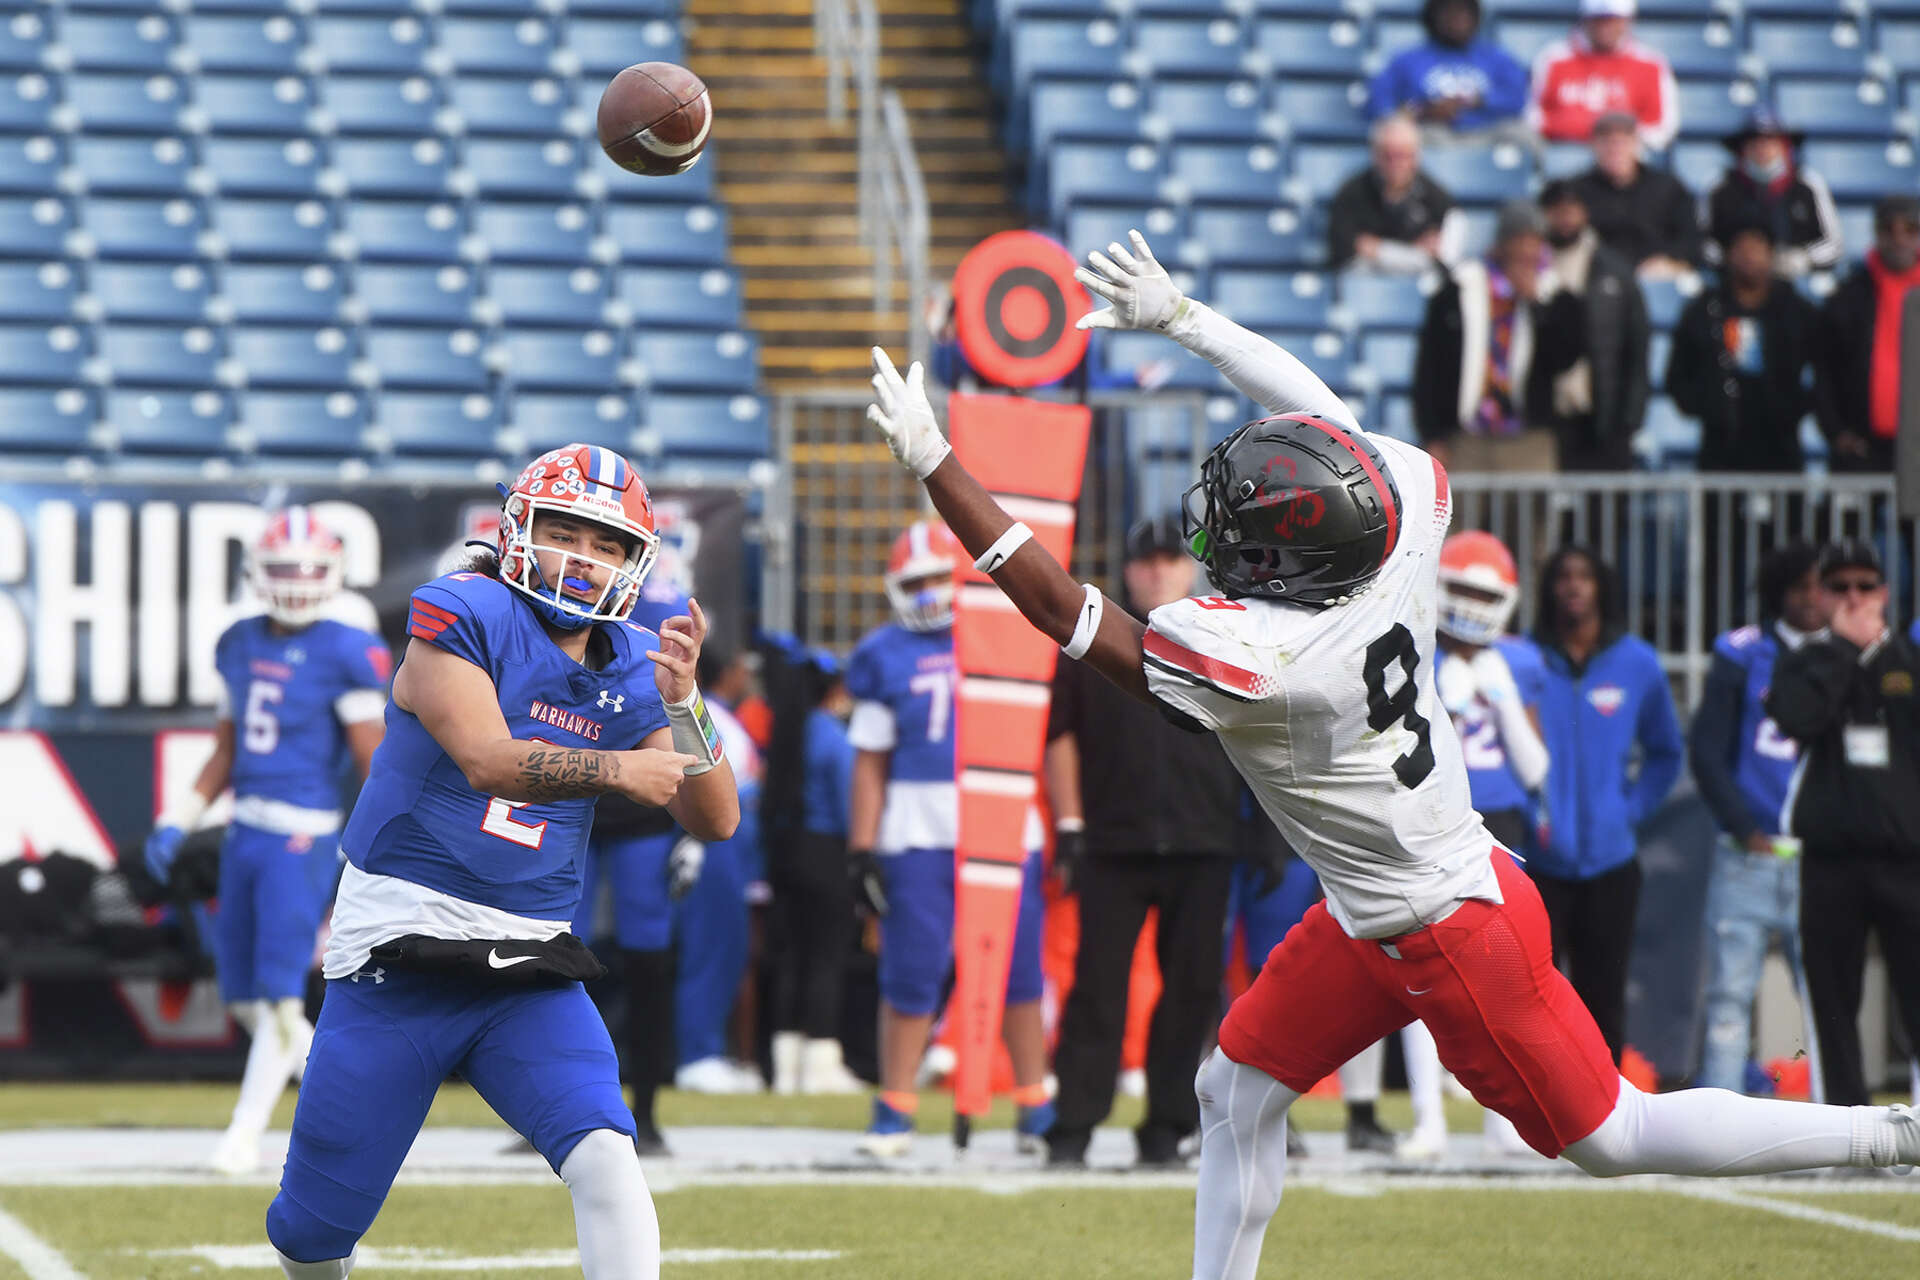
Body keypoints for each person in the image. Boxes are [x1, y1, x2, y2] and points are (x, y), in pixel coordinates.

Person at [867, 230, 1918, 1280]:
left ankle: (1889, 1134)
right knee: (1233, 1085)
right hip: (1387, 903)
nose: (1221, 532)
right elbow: (1320, 407)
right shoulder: (1401, 509)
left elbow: (1065, 609)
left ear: (1287, 560)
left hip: (1450, 931)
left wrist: (938, 466)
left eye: (1244, 528)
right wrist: (1185, 321)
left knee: (1615, 1135)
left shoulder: (1269, 657)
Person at [262, 443, 740, 1280]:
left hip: (529, 961)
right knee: (312, 1229)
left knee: (606, 1157)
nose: (583, 560)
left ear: (635, 562)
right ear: (519, 528)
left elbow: (715, 816)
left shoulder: (632, 661)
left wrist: (685, 705)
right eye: (565, 531)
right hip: (397, 954)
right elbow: (487, 758)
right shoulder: (459, 611)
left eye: (606, 545)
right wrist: (620, 767)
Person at [145, 507, 390, 1177]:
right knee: (243, 996)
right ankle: (354, 1100)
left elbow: (376, 761)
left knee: (280, 995)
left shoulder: (347, 650)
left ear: (335, 573)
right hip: (244, 830)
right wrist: (182, 815)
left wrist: (373, 846)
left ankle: (243, 1134)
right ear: (257, 573)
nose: (297, 582)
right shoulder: (239, 641)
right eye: (284, 568)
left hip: (299, 836)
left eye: (310, 568)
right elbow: (226, 747)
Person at [845, 519, 1055, 1158]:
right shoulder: (881, 654)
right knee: (913, 970)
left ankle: (1035, 1105)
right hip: (916, 828)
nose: (930, 591)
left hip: (1003, 818)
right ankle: (896, 1108)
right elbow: (870, 761)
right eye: (917, 581)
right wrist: (861, 849)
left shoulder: (1002, 631)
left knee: (1018, 971)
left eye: (941, 577)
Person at [1042, 514, 1244, 1169]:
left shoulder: (1225, 639)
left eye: (1169, 560)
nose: (1158, 570)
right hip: (1113, 842)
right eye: (1147, 560)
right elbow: (1060, 735)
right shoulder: (1094, 641)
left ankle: (1167, 1127)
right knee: (1098, 988)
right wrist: (1070, 825)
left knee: (1190, 992)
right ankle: (1072, 1126)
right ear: (1128, 570)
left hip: (1204, 840)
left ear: (1190, 569)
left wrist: (1264, 833)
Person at [1767, 540, 1920, 1108]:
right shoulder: (1805, 662)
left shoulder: (1908, 661)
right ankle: (1846, 1133)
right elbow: (1797, 718)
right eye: (1840, 588)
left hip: (1907, 860)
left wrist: (1875, 650)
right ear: (1824, 596)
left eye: (1864, 586)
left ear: (1883, 592)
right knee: (1833, 1003)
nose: (1853, 598)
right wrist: (1841, 653)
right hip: (1831, 860)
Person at [1524, 545, 1683, 1063]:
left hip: (1611, 863)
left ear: (1602, 588)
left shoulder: (1636, 663)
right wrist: (1530, 816)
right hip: (1540, 861)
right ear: (1549, 589)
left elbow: (1665, 752)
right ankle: (1537, 1109)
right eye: (1563, 577)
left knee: (1603, 995)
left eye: (1585, 576)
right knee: (1531, 995)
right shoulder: (1525, 661)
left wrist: (1629, 811)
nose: (1573, 586)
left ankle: (1607, 1118)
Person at [1688, 544, 1827, 1094]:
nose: (1813, 598)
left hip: (1819, 857)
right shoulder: (1743, 653)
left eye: (1821, 585)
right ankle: (1717, 1124)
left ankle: (1836, 1128)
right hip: (1747, 852)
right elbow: (1706, 752)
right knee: (1728, 997)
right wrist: (1745, 827)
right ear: (1779, 592)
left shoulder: (1847, 655)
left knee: (1824, 1001)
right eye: (1801, 586)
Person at [1433, 529, 1550, 1156]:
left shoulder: (1519, 660)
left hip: (1500, 817)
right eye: (1463, 588)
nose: (1472, 603)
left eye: (1485, 592)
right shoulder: (1415, 652)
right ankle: (1428, 1117)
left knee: (1500, 971)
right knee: (1421, 969)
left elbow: (1536, 769)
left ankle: (1500, 1118)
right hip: (1433, 815)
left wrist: (1502, 701)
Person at [761, 644, 863, 1096]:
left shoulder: (786, 733)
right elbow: (850, 807)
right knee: (825, 956)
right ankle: (820, 1063)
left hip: (783, 853)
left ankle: (785, 1069)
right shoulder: (832, 737)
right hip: (825, 854)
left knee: (790, 958)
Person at [1412, 200, 1565, 471]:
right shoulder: (1459, 288)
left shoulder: (1554, 294)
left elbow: (1564, 359)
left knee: (1529, 513)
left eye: (1534, 242)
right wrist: (1433, 434)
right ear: (1503, 243)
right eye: (1520, 241)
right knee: (1460, 512)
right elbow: (1430, 368)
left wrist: (1537, 307)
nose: (1527, 251)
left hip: (1528, 440)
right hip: (1466, 438)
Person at [1667, 222, 1818, 474]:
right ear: (1728, 254)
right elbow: (1679, 371)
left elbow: (1824, 368)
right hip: (1720, 442)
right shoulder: (1704, 310)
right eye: (1741, 248)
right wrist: (1707, 404)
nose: (1749, 256)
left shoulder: (1796, 310)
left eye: (1757, 248)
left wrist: (1795, 405)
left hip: (1780, 443)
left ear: (1771, 255)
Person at [1537, 179, 1650, 471]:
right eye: (1557, 210)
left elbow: (1637, 348)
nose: (1565, 218)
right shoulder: (1532, 266)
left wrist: (1630, 419)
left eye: (1572, 209)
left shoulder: (1613, 271)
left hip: (1603, 417)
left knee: (1606, 511)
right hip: (1547, 418)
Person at [1814, 194, 1920, 474]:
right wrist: (1836, 432)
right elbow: (1824, 371)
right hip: (1861, 447)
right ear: (1876, 234)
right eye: (1889, 230)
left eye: (1910, 230)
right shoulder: (1848, 296)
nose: (1899, 239)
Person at [1703, 109, 1842, 280]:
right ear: (1742, 149)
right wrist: (1735, 260)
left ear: (1784, 146)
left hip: (1797, 285)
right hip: (1734, 285)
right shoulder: (1720, 187)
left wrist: (1802, 259)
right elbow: (1702, 242)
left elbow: (1834, 244)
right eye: (1754, 141)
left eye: (1770, 140)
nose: (1762, 148)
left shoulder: (1809, 184)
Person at [1366, 0, 1529, 143]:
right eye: (1448, 11)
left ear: (1476, 17)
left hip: (1486, 132)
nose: (1457, 18)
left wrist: (1478, 101)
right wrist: (1425, 111)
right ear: (1432, 17)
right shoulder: (1407, 60)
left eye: (1463, 11)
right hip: (1433, 134)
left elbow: (1518, 99)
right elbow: (1379, 105)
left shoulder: (1496, 57)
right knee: (1404, 136)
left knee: (1523, 134)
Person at [1528, 0, 1677, 150]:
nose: (1606, 27)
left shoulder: (1651, 64)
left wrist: (1613, 139)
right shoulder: (1553, 59)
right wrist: (1585, 130)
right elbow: (1533, 119)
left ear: (1628, 20)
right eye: (1599, 19)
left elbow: (1660, 130)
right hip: (1564, 153)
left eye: (1613, 19)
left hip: (1627, 161)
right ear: (1585, 19)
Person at [1569, 111, 1702, 278]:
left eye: (1623, 141)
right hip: (1596, 278)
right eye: (1607, 142)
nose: (1615, 149)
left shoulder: (1668, 187)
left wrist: (1671, 261)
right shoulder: (1575, 192)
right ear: (1593, 146)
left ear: (1636, 144)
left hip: (1656, 276)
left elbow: (1691, 239)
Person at [1326, 113, 1463, 274]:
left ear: (1416, 157)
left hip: (1418, 284)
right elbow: (1345, 253)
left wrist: (1379, 249)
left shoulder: (1435, 195)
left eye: (1404, 156)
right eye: (1389, 156)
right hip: (1367, 286)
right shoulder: (1352, 193)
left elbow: (1443, 255)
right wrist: (1415, 252)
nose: (1396, 164)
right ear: (1375, 155)